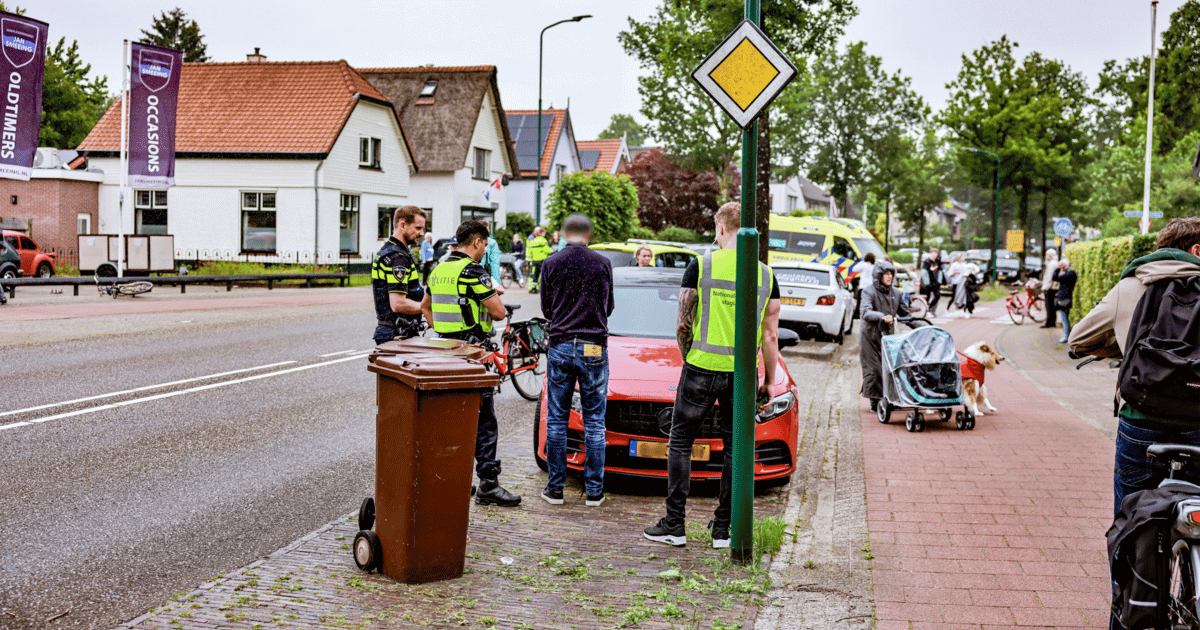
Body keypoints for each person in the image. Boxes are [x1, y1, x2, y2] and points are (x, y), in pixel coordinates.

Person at [642, 202, 781, 549]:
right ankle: (724, 529)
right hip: (742, 375)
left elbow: (682, 323)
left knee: (680, 442)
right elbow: (771, 336)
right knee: (736, 448)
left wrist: (689, 356)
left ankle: (675, 524)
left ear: (721, 229)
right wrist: (767, 380)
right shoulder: (766, 275)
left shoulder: (700, 266)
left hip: (701, 368)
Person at [1071, 218, 1200, 517]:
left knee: (1131, 512)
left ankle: (1130, 559)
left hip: (1143, 414)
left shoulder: (1131, 285)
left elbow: (1079, 339)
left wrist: (1123, 345)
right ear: (1196, 249)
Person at [421, 220, 521, 507]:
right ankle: (489, 484)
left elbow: (425, 306)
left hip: (444, 351)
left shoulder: (439, 269)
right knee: (484, 422)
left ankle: (454, 481)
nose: (485, 250)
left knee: (451, 419)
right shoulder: (473, 271)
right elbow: (499, 313)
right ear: (476, 242)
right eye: (485, 245)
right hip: (472, 354)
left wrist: (442, 329)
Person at [539, 214, 614, 507]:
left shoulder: (551, 263)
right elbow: (608, 306)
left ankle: (555, 489)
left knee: (557, 419)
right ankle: (594, 491)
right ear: (589, 235)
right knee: (595, 420)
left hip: (560, 345)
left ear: (562, 233)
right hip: (594, 347)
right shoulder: (603, 263)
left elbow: (547, 308)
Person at [860, 261, 912, 413]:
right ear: (878, 276)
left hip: (888, 336)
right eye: (886, 274)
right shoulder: (868, 292)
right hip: (870, 336)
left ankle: (889, 398)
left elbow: (906, 315)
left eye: (891, 274)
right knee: (874, 369)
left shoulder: (896, 293)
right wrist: (882, 317)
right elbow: (865, 312)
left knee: (891, 367)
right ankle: (875, 402)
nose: (889, 277)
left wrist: (923, 327)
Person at [371, 206, 426, 345]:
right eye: (418, 228)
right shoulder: (397, 258)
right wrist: (427, 307)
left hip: (394, 330)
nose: (422, 233)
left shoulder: (392, 251)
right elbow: (398, 304)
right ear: (402, 225)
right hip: (397, 332)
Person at [1052, 258, 1076, 343]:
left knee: (1064, 318)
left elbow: (1055, 277)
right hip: (1066, 297)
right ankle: (1066, 335)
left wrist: (1058, 269)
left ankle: (1066, 336)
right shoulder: (1070, 274)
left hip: (1065, 298)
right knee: (1064, 318)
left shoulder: (1069, 274)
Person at [526, 227, 552, 293]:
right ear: (542, 233)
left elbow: (530, 250)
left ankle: (533, 288)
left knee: (535, 275)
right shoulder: (543, 240)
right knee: (544, 275)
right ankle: (545, 289)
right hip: (542, 260)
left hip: (535, 260)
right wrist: (553, 250)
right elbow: (547, 250)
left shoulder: (533, 241)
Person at [920, 247, 944, 316]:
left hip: (935, 282)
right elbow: (924, 272)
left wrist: (939, 281)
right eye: (933, 253)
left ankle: (929, 308)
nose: (935, 254)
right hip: (929, 282)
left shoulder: (937, 262)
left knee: (937, 295)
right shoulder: (927, 262)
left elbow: (940, 271)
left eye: (936, 253)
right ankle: (927, 311)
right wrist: (927, 282)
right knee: (928, 297)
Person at [1039, 248, 1059, 329]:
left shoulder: (1051, 264)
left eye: (1047, 255)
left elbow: (1049, 277)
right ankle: (1053, 321)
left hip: (1050, 288)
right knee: (1051, 305)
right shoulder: (1055, 263)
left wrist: (1046, 287)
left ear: (1050, 255)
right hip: (1054, 287)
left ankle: (1049, 322)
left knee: (1048, 305)